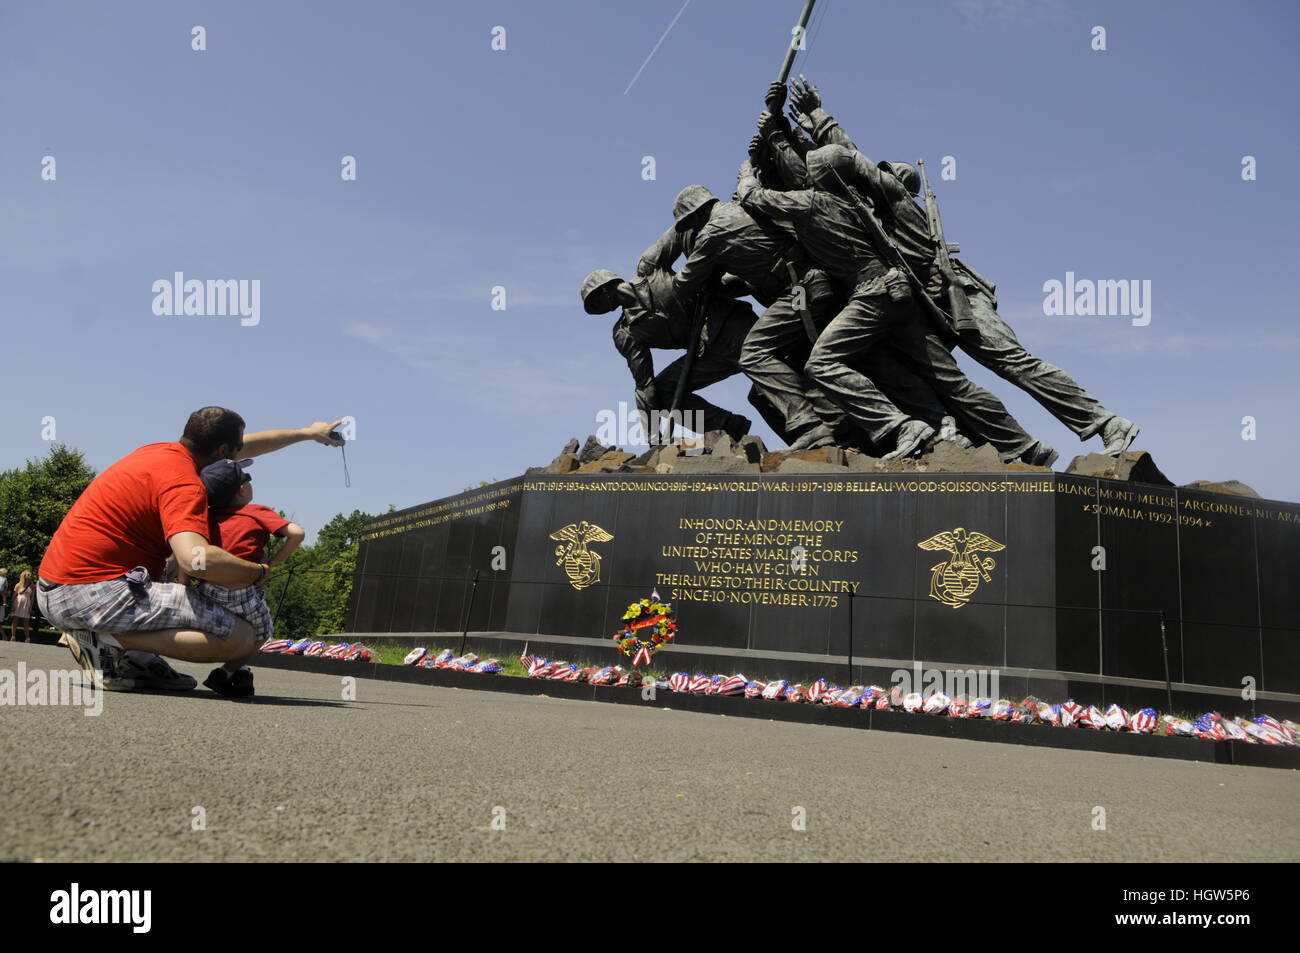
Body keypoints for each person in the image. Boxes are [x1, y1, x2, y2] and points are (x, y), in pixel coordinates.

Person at [786, 76, 1139, 456]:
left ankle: (1106, 422)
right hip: (922, 302)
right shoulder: (869, 213)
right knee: (942, 380)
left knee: (1012, 363)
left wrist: (820, 118)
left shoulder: (896, 198)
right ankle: (1012, 446)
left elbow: (851, 158)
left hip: (956, 295)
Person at [37, 407, 343, 693]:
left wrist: (308, 432)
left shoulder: (160, 453)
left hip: (60, 585)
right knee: (240, 637)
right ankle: (106, 641)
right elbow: (196, 560)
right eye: (235, 453)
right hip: (89, 593)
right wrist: (258, 572)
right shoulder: (184, 484)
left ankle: (134, 659)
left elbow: (249, 445)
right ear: (223, 451)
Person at [581, 266, 760, 444]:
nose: (599, 310)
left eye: (595, 304)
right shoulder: (626, 333)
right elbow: (645, 386)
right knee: (663, 390)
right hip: (709, 352)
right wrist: (653, 436)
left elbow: (705, 267)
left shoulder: (654, 274)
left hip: (734, 327)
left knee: (763, 396)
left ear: (605, 289)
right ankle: (728, 426)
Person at [179, 458, 304, 697]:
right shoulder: (256, 512)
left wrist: (184, 585)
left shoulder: (204, 517)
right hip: (241, 589)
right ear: (242, 489)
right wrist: (273, 563)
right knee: (262, 632)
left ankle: (241, 674)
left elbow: (189, 552)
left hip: (207, 589)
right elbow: (297, 533)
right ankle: (225, 673)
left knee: (234, 629)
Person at [8, 571, 35, 642]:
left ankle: (27, 638)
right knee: (15, 620)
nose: (30, 576)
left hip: (27, 604)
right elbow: (14, 596)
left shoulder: (32, 586)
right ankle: (13, 636)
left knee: (26, 622)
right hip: (18, 603)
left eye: (30, 575)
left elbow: (32, 597)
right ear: (24, 576)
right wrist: (12, 606)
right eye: (28, 575)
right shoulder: (18, 585)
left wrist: (30, 607)